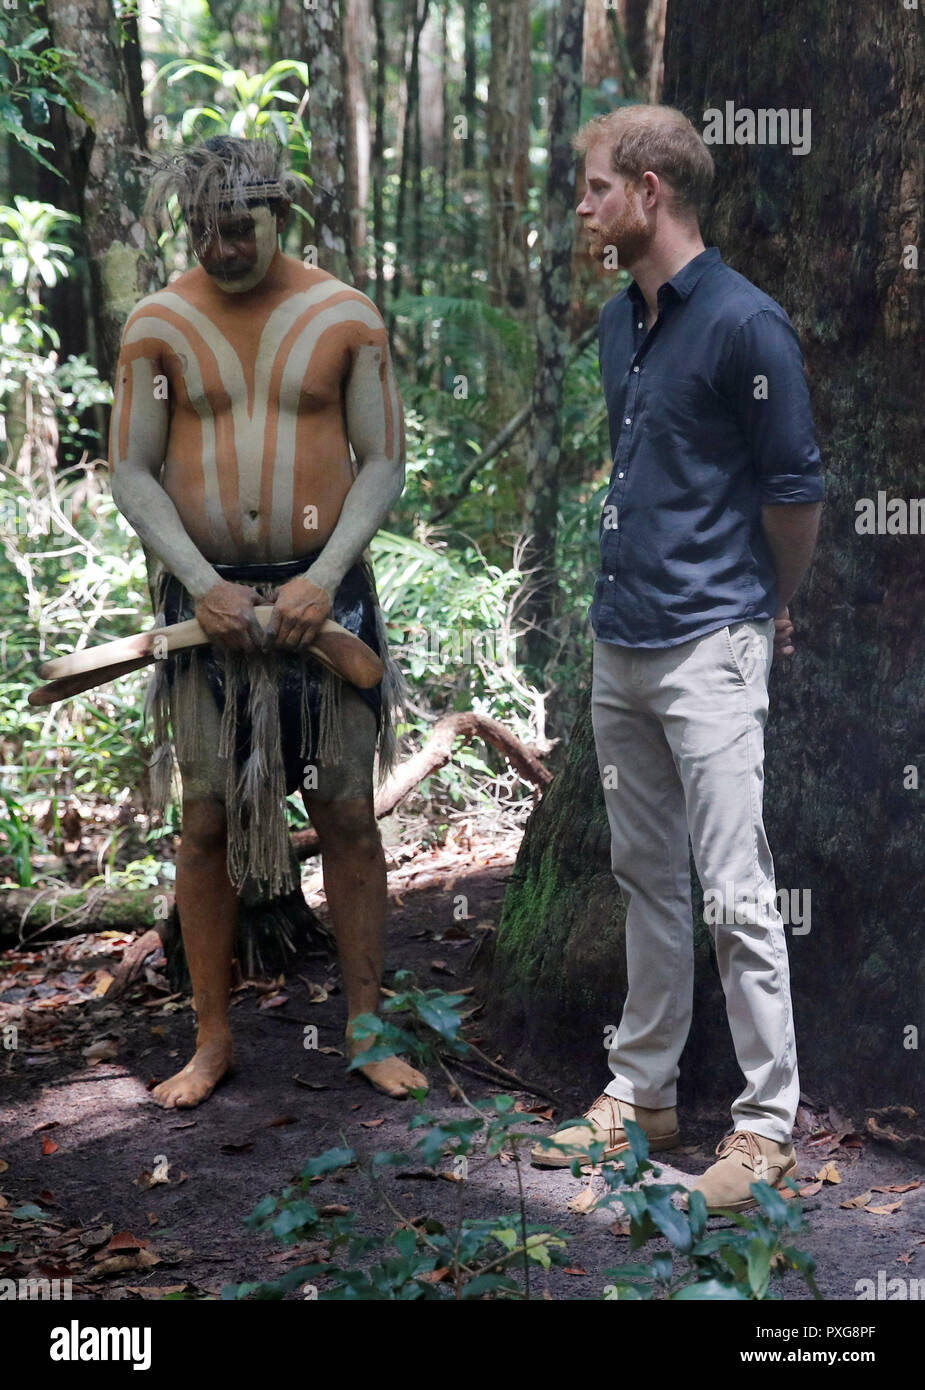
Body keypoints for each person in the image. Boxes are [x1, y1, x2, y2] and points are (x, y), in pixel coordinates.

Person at [530, 105, 824, 1214]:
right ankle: (643, 1093)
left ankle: (763, 1130)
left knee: (739, 893)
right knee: (644, 878)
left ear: (650, 191)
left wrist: (766, 607)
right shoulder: (620, 325)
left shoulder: (749, 326)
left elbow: (794, 495)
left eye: (596, 185)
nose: (583, 204)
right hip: (623, 644)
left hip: (713, 644)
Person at [108, 134, 426, 1107]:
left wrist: (325, 577)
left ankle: (367, 1032)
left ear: (276, 213)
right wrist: (200, 581)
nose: (221, 245)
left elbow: (381, 461)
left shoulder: (343, 316)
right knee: (203, 821)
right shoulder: (157, 325)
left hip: (326, 595)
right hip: (204, 603)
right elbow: (131, 469)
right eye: (203, 228)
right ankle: (213, 1039)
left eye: (238, 226)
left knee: (346, 816)